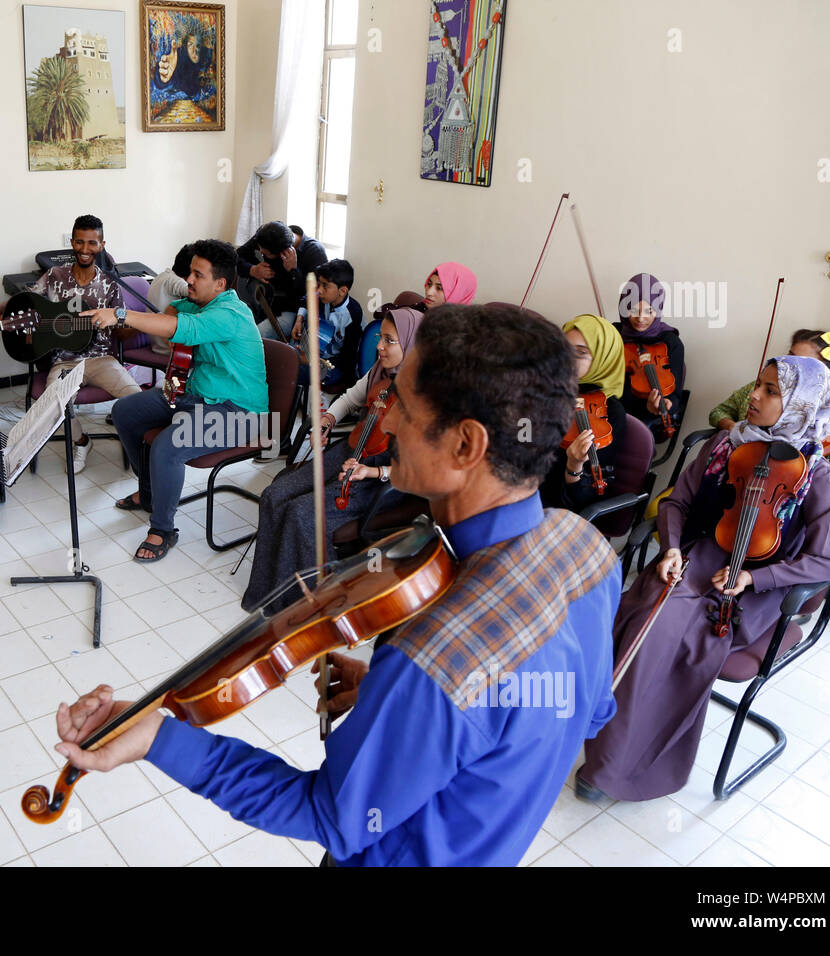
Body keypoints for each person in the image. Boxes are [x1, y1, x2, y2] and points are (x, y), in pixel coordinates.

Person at [48, 304, 621, 866]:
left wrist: (158, 739)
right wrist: (392, 699)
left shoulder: (431, 659)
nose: (387, 420)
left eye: (405, 404)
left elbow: (332, 817)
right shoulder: (586, 549)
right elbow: (580, 714)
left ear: (466, 446)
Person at [579, 355, 830, 802]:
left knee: (672, 634)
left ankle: (618, 767)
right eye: (757, 385)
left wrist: (752, 579)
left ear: (801, 406)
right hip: (693, 559)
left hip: (756, 586)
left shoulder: (816, 477)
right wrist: (669, 547)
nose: (754, 397)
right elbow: (676, 504)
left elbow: (827, 562)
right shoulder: (726, 446)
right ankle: (596, 729)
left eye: (770, 391)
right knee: (640, 609)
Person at [87, 239, 267, 562]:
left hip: (241, 413)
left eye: (198, 275)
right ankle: (150, 492)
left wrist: (119, 315)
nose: (189, 280)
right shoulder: (202, 302)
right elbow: (174, 312)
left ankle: (163, 529)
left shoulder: (230, 314)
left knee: (168, 446)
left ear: (221, 283)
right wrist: (174, 328)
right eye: (190, 273)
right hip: (194, 395)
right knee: (125, 411)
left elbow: (177, 325)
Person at [242, 305, 419, 611]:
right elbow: (350, 398)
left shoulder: (425, 395)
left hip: (383, 476)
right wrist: (326, 422)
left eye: (390, 341)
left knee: (302, 513)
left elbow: (418, 469)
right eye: (381, 338)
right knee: (274, 493)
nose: (379, 346)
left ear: (411, 342)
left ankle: (314, 605)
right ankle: (267, 592)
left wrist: (374, 473)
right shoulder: (381, 371)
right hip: (352, 448)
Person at [0, 214, 139, 474]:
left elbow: (125, 333)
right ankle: (81, 442)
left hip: (102, 359)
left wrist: (125, 323)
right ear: (71, 242)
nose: (85, 249)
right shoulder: (54, 276)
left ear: (102, 245)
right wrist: (1, 310)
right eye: (80, 242)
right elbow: (27, 303)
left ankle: (142, 452)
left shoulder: (110, 284)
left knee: (138, 400)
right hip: (64, 361)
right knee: (53, 405)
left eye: (92, 243)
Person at [709, 329, 830, 488]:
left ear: (825, 374)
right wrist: (733, 428)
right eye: (790, 356)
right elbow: (718, 412)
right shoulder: (760, 387)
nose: (788, 365)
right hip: (735, 474)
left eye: (803, 363)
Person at [539, 314, 633, 514]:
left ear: (603, 358)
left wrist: (574, 466)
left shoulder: (610, 412)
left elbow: (586, 500)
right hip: (518, 487)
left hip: (555, 508)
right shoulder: (546, 390)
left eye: (580, 353)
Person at [614, 272, 685, 438]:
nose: (641, 318)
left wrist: (668, 405)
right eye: (633, 310)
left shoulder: (671, 343)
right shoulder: (614, 334)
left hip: (645, 417)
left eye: (649, 311)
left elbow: (675, 397)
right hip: (610, 409)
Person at [236, 221, 328, 340]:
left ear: (282, 253)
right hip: (258, 303)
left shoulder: (315, 253)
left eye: (265, 254)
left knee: (251, 337)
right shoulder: (267, 235)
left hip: (289, 311)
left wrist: (293, 271)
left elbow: (311, 296)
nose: (259, 251)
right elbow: (237, 257)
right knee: (232, 325)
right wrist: (252, 270)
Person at [289, 258, 363, 390]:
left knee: (291, 373)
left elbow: (348, 359)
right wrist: (299, 320)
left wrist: (314, 362)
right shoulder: (323, 298)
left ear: (342, 291)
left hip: (333, 364)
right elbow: (306, 299)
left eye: (325, 286)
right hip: (314, 351)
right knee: (285, 357)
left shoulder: (352, 314)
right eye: (319, 284)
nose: (320, 291)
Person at [145, 243, 193, 356]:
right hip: (169, 349)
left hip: (157, 345)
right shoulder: (174, 281)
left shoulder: (162, 276)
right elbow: (193, 292)